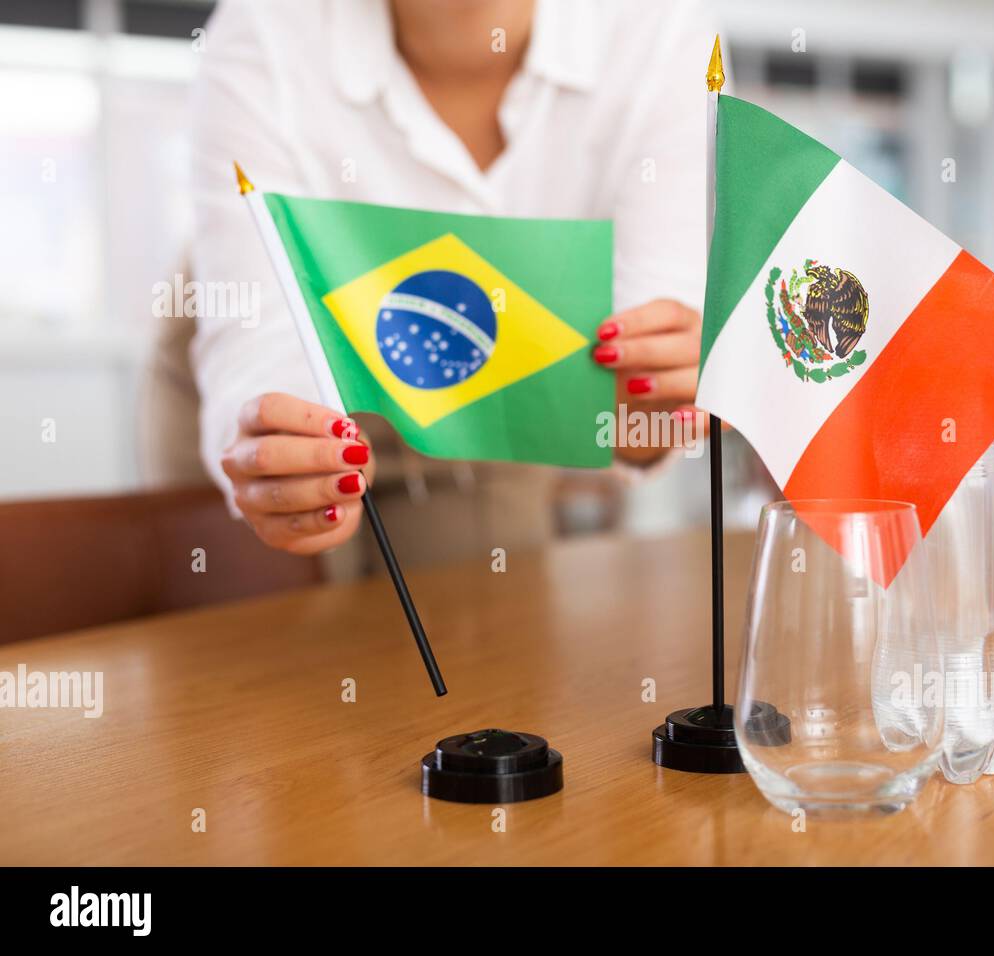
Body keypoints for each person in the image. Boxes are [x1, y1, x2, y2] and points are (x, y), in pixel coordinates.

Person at [189, 0, 714, 568]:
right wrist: (283, 451)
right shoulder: (261, 32)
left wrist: (665, 396)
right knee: (261, 603)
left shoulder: (661, 26)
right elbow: (260, 356)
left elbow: (639, 410)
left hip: (508, 389)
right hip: (299, 365)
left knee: (484, 617)